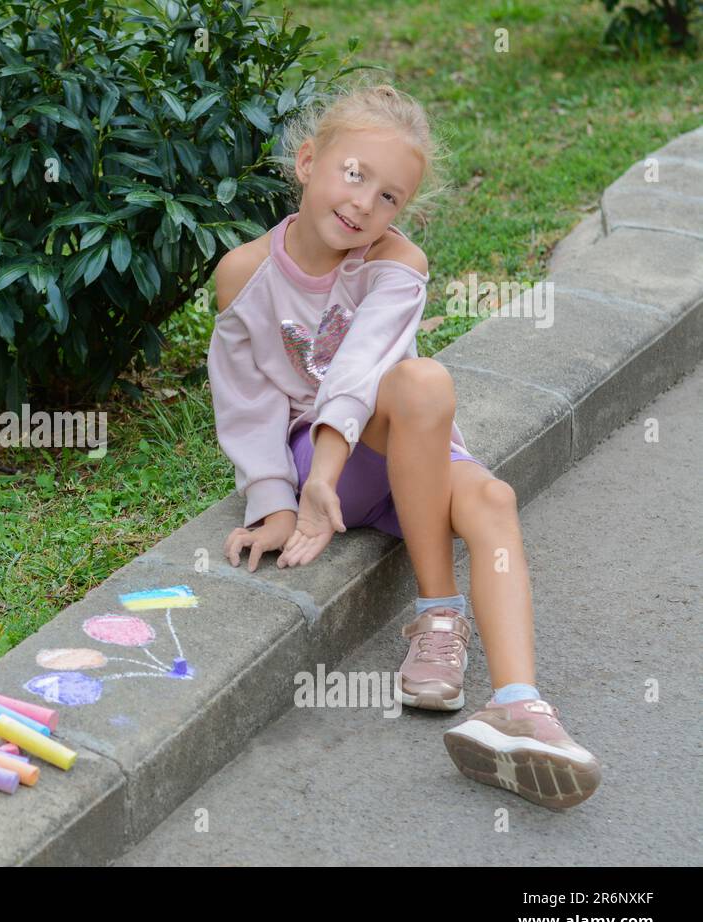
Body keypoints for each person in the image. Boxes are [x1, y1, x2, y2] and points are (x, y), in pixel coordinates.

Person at [208, 82, 600, 810]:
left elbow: (360, 369)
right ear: (306, 161)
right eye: (354, 175)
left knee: (491, 496)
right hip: (335, 469)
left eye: (389, 197)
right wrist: (277, 498)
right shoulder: (245, 275)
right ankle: (438, 611)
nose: (364, 204)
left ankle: (517, 706)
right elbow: (247, 401)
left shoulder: (397, 266)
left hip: (404, 457)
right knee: (423, 383)